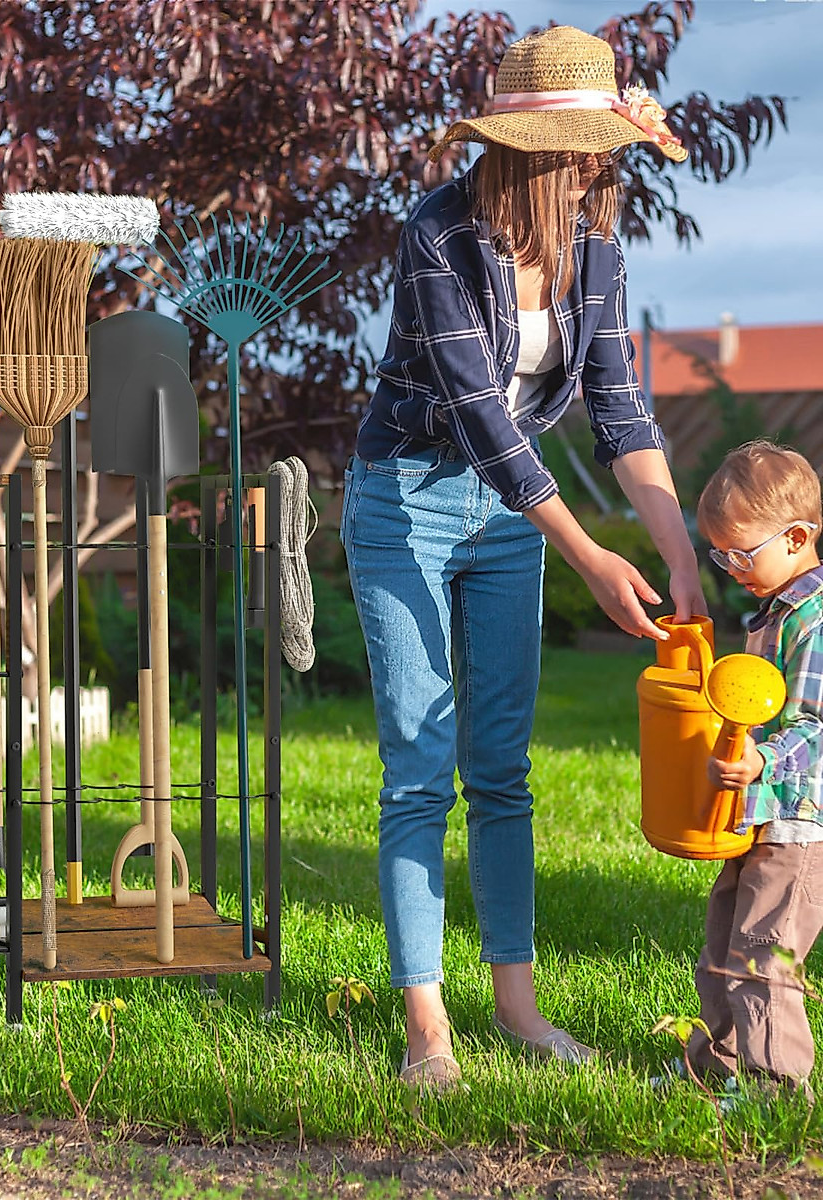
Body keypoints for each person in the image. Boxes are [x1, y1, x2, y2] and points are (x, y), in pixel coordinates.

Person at [339, 24, 707, 1091]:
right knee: (419, 770)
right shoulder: (439, 238)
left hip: (513, 521)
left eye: (607, 146)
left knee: (501, 771)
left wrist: (674, 556)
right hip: (407, 496)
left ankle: (519, 1011)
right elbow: (483, 427)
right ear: (530, 151)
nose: (603, 166)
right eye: (587, 148)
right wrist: (596, 559)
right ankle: (426, 1030)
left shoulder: (599, 248)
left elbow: (619, 406)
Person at [687, 441, 823, 1093]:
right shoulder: (771, 611)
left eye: (742, 553)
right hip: (758, 818)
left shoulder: (814, 622)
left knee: (763, 955)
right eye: (721, 554)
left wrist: (763, 759)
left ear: (797, 536)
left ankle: (776, 1089)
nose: (731, 567)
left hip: (799, 827)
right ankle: (716, 1071)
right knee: (723, 947)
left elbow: (817, 727)